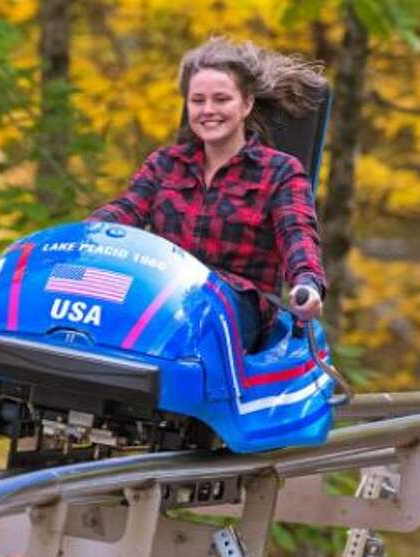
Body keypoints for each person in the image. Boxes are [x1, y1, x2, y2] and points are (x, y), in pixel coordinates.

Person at [91, 38, 327, 353]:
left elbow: (297, 236)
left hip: (233, 308)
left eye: (221, 99)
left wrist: (307, 284)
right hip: (161, 295)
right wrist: (84, 236)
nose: (208, 110)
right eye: (198, 100)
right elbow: (125, 210)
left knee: (191, 318)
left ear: (246, 104)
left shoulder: (281, 172)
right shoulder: (165, 164)